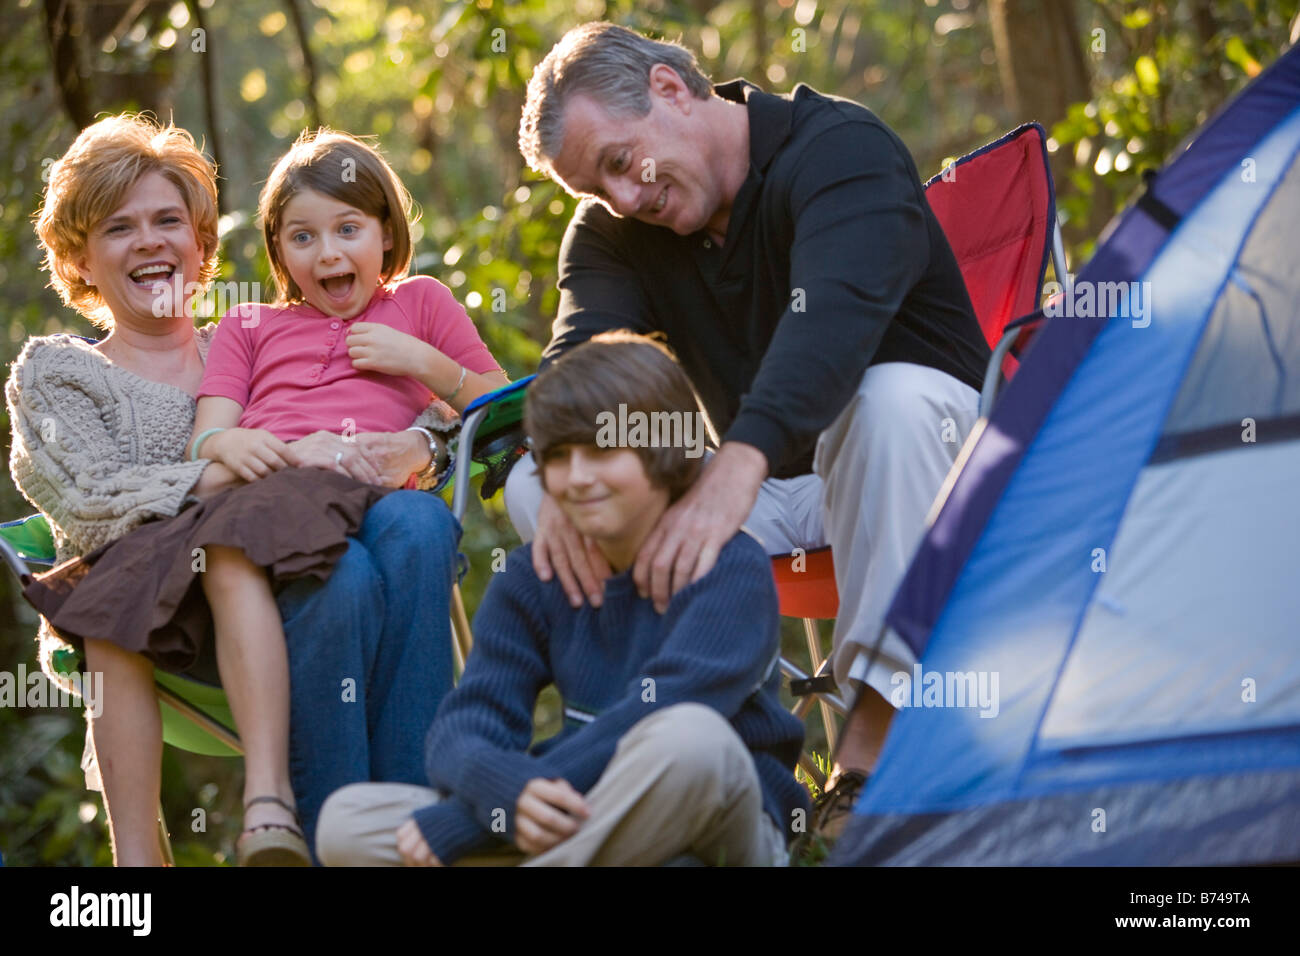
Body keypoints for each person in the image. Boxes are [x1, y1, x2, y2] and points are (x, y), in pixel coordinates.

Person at [508, 22, 991, 836]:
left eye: (622, 163)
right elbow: (579, 356)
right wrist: (563, 455)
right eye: (598, 189)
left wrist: (733, 469)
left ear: (669, 87)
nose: (623, 200)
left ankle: (869, 757)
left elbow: (829, 328)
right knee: (540, 479)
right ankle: (718, 752)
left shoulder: (841, 150)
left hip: (934, 473)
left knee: (887, 402)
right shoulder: (617, 231)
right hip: (769, 490)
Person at [6, 115, 490, 865]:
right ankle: (283, 838)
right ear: (79, 256)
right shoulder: (60, 371)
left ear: (202, 242)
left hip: (301, 582)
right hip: (157, 631)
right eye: (117, 227)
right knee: (302, 570)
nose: (150, 242)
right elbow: (90, 500)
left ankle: (401, 823)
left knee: (376, 553)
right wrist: (256, 464)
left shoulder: (255, 343)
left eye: (170, 220)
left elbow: (442, 420)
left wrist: (419, 441)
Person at [315, 332, 809, 866]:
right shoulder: (537, 576)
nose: (576, 478)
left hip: (717, 823)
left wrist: (466, 823)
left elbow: (660, 712)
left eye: (601, 452)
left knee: (691, 739)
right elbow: (464, 728)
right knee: (347, 821)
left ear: (666, 449)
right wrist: (511, 793)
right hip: (592, 818)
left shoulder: (728, 566)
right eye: (558, 456)